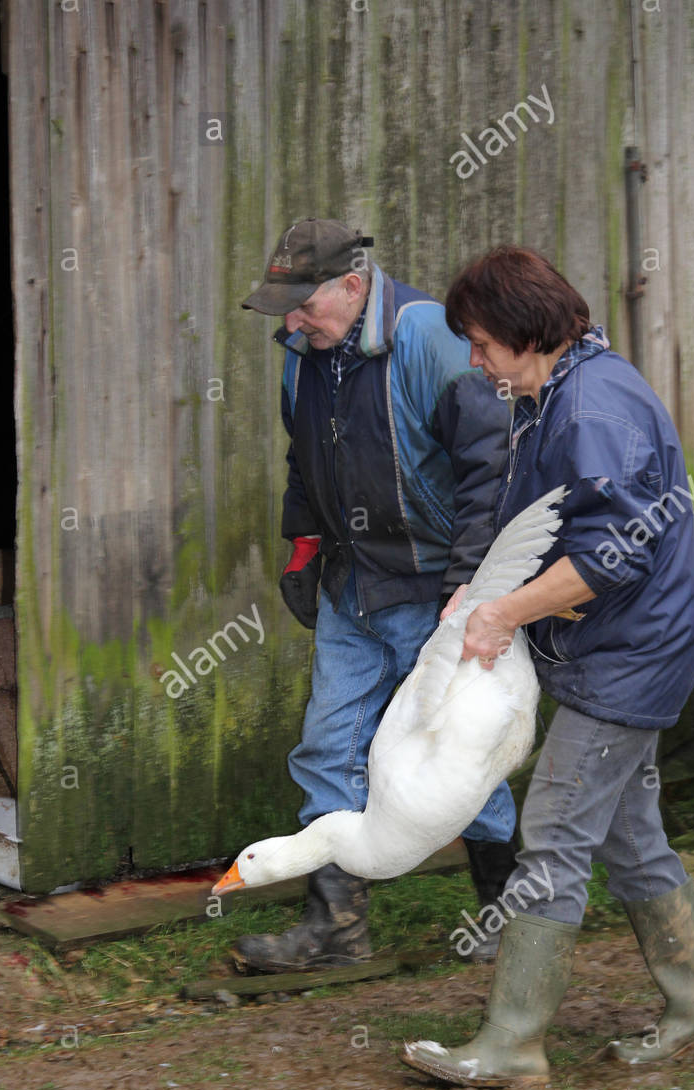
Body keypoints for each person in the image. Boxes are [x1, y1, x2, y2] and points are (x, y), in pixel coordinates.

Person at [403, 245, 694, 1087]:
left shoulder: (589, 407)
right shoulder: (559, 387)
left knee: (552, 835)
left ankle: (513, 1043)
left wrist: (503, 616)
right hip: (619, 644)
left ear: (523, 331)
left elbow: (612, 555)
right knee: (628, 834)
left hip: (631, 654)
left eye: (480, 345)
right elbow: (545, 524)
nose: (475, 364)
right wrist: (479, 596)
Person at [231, 218, 514, 972]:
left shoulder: (429, 339)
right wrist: (304, 544)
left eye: (303, 304)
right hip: (354, 585)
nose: (292, 321)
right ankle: (336, 930)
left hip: (436, 590)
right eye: (284, 307)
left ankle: (509, 914)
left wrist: (469, 588)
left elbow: (492, 467)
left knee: (458, 763)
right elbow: (305, 463)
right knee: (329, 745)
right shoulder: (304, 355)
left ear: (353, 286)